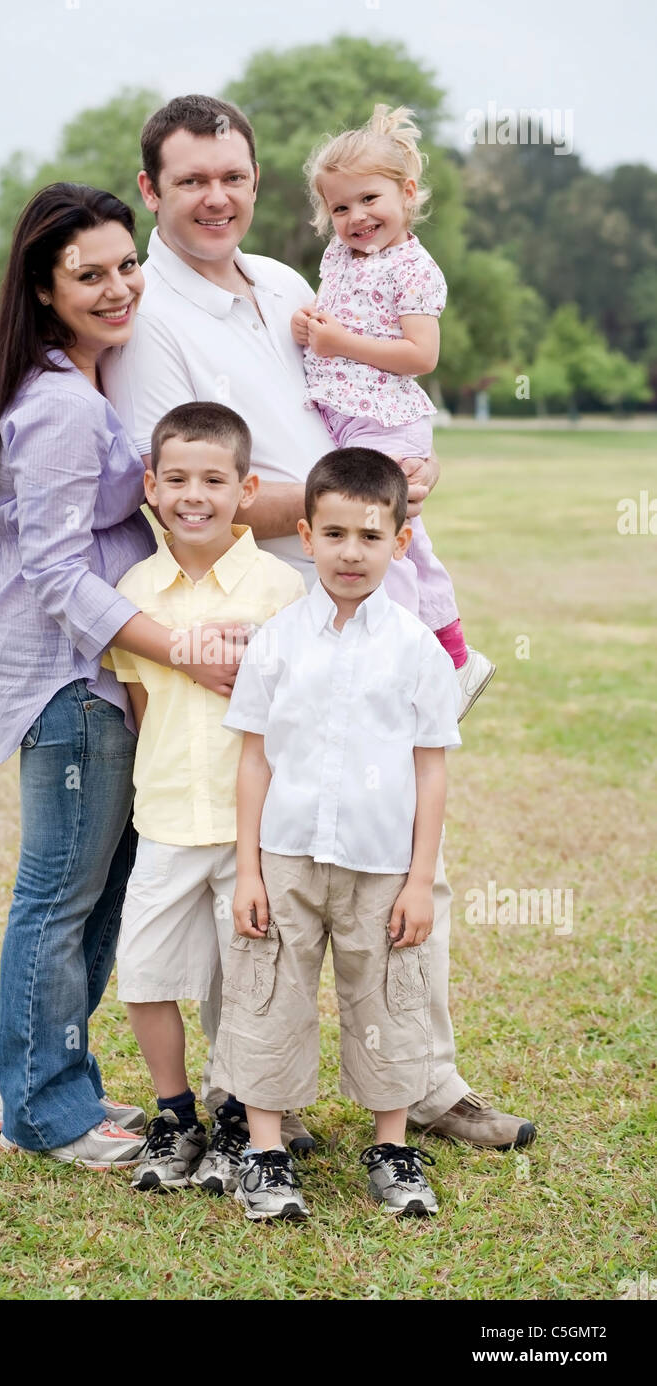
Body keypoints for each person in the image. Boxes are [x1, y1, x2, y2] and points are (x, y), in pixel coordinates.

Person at [102, 94, 535, 1152]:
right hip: (266, 615)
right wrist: (350, 506)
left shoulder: (294, 283)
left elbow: (366, 406)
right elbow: (192, 488)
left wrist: (400, 475)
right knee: (273, 871)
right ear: (151, 191)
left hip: (366, 596)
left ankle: (427, 1083)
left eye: (234, 176)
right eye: (192, 178)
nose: (217, 196)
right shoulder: (146, 319)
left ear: (259, 186)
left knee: (400, 857)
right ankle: (265, 1109)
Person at [0, 183, 246, 1169]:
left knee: (100, 892)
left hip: (101, 678)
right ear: (44, 288)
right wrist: (181, 650)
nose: (119, 286)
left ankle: (52, 1083)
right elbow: (52, 574)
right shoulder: (59, 408)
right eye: (89, 275)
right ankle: (42, 1110)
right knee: (59, 898)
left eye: (126, 265)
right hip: (71, 683)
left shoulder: (78, 388)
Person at [212, 449, 461, 1220]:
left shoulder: (417, 650)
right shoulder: (279, 641)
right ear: (306, 534)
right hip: (284, 859)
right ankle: (266, 1153)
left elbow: (431, 772)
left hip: (381, 865)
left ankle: (390, 1148)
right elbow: (254, 761)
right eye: (335, 533)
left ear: (401, 542)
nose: (352, 551)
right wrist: (247, 870)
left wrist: (420, 881)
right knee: (267, 997)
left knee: (389, 999)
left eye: (371, 535)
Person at [102, 402, 305, 1194]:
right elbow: (145, 706)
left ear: (247, 489)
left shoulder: (282, 588)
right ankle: (175, 1112)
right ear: (150, 487)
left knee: (245, 981)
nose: (195, 495)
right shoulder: (134, 592)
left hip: (251, 830)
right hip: (166, 821)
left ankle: (235, 1116)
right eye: (177, 478)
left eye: (215, 480)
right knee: (146, 975)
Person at [294, 105, 494, 717]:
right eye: (340, 207)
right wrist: (310, 326)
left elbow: (420, 354)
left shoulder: (413, 268)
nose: (356, 218)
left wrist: (335, 343)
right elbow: (333, 320)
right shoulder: (339, 259)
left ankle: (412, 663)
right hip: (348, 418)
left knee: (391, 543)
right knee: (405, 540)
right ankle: (452, 660)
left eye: (369, 199)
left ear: (407, 194)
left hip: (388, 418)